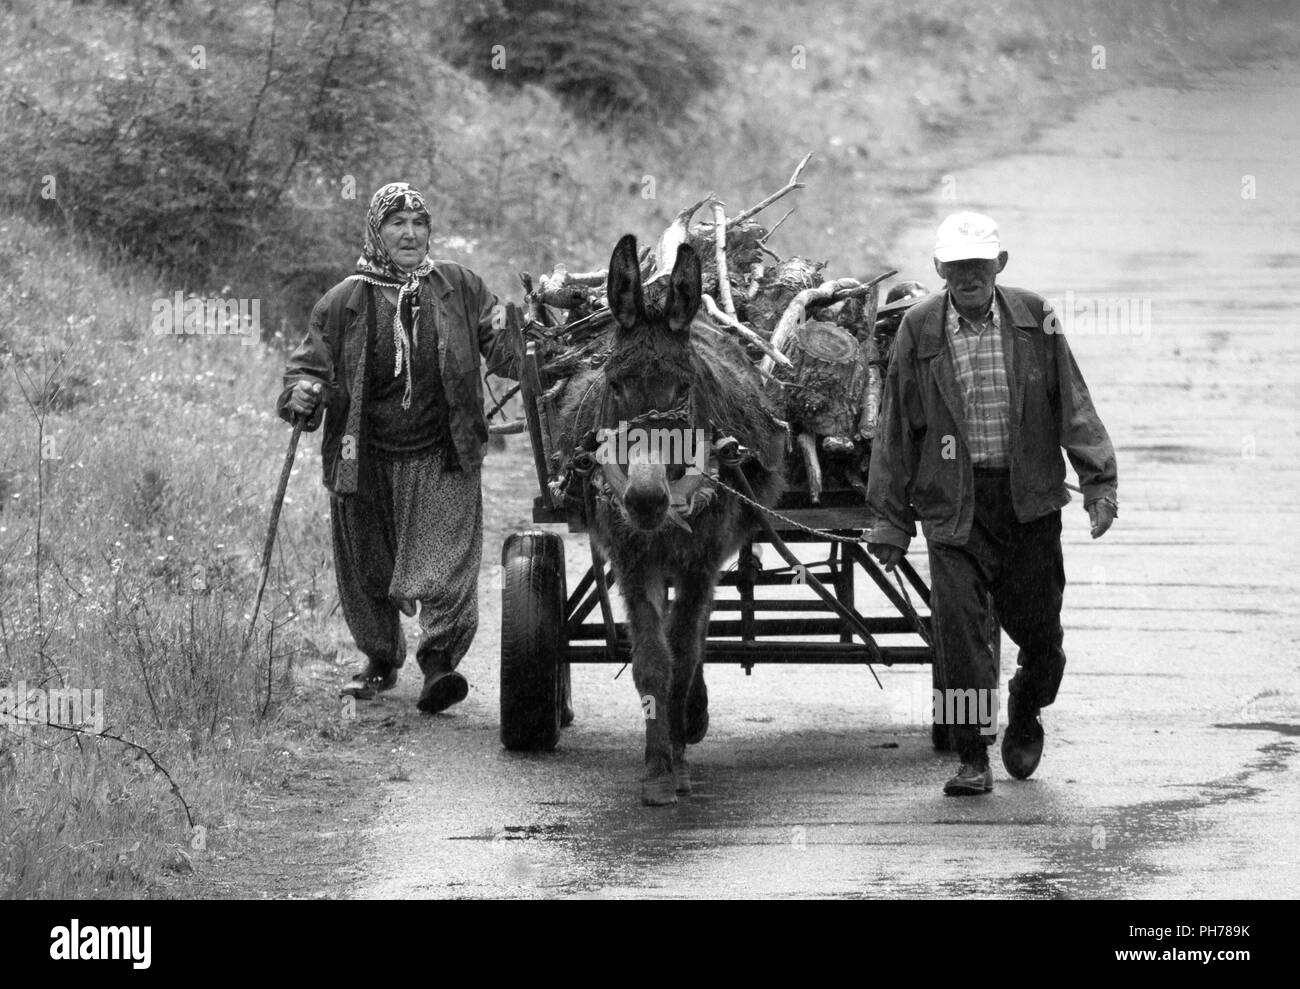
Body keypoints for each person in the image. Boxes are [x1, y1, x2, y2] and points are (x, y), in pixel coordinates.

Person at [866, 211, 1117, 795]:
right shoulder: (920, 330)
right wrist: (889, 521)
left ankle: (1027, 708)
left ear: (999, 265)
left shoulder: (1034, 318)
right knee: (960, 637)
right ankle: (972, 755)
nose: (968, 276)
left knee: (1041, 637)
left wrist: (1098, 483)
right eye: (957, 267)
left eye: (979, 265)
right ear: (940, 269)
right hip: (954, 507)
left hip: (1027, 503)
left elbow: (1072, 401)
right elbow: (896, 426)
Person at [276, 181, 518, 713]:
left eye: (419, 223)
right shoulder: (343, 302)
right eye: (397, 224)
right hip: (364, 457)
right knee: (368, 568)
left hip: (441, 452)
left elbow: (501, 350)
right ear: (376, 230)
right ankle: (381, 660)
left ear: (430, 231)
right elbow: (308, 367)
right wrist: (302, 392)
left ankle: (438, 666)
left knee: (445, 564)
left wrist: (515, 335)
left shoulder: (459, 287)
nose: (409, 234)